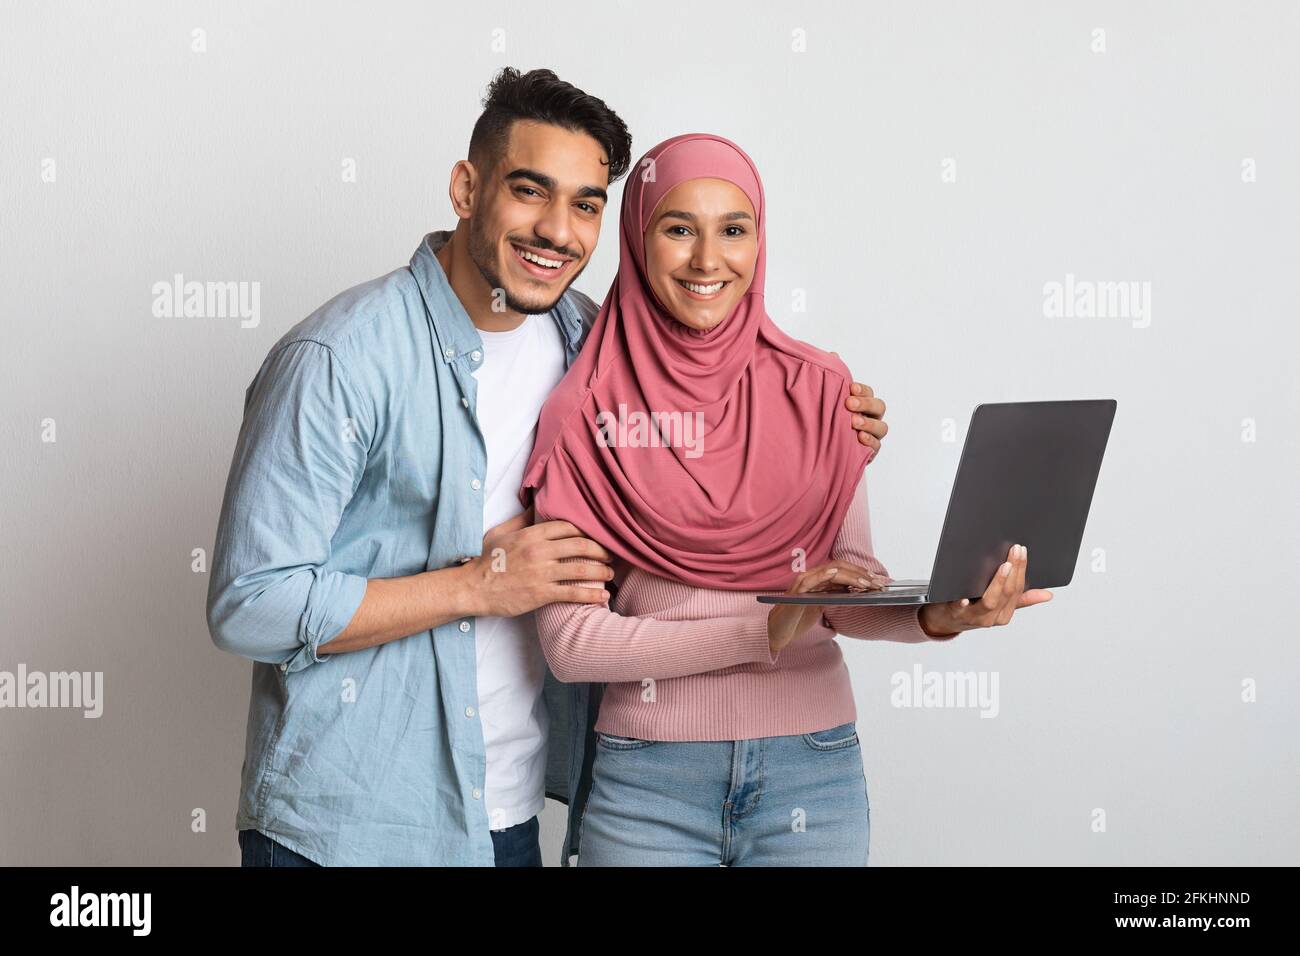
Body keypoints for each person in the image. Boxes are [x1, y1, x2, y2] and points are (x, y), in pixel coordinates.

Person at [206, 72, 886, 866]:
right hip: (355, 823)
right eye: (531, 191)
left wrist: (833, 417)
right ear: (466, 187)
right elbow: (248, 604)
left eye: (587, 203)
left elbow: (717, 413)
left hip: (511, 813)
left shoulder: (592, 347)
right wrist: (477, 584)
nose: (557, 230)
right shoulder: (340, 358)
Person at [521, 133, 1053, 866]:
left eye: (734, 230)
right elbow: (573, 644)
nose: (710, 261)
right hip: (649, 784)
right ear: (636, 240)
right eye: (679, 229)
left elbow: (841, 592)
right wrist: (764, 630)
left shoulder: (822, 390)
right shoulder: (585, 410)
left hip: (814, 771)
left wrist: (938, 615)